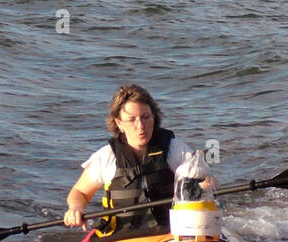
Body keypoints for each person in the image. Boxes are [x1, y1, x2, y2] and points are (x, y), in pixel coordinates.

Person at [64, 84, 195, 234]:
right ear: (119, 123)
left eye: (146, 117)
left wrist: (205, 184)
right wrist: (76, 208)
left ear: (154, 117)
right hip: (120, 238)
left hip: (171, 234)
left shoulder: (176, 149)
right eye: (132, 120)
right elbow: (80, 192)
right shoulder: (106, 156)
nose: (140, 126)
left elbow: (206, 181)